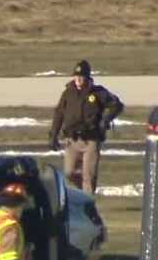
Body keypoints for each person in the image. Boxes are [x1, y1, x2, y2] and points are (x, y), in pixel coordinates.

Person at [49, 60, 124, 195]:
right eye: (76, 76)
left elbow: (117, 105)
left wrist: (105, 119)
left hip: (91, 139)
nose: (78, 79)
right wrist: (53, 135)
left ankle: (87, 203)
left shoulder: (97, 93)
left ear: (87, 77)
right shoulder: (68, 93)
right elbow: (59, 113)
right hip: (72, 139)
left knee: (88, 175)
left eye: (81, 76)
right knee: (69, 172)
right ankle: (80, 193)